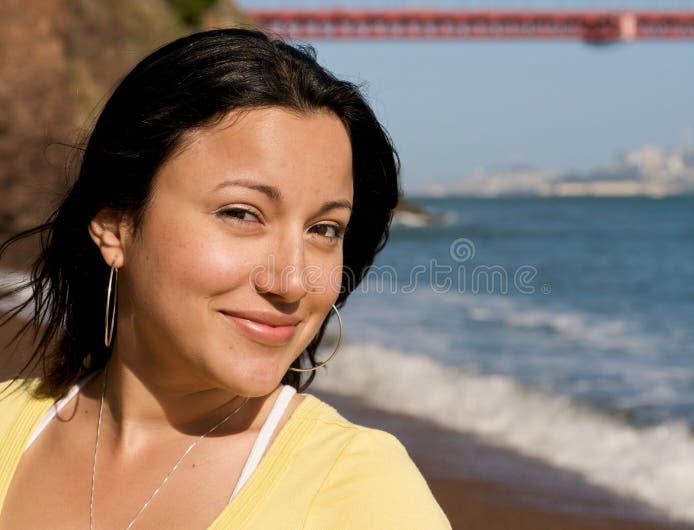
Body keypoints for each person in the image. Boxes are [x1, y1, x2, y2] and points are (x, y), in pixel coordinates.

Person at [0, 28, 451, 529]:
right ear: (116, 224)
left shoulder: (361, 492)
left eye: (324, 229)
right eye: (242, 214)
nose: (293, 281)